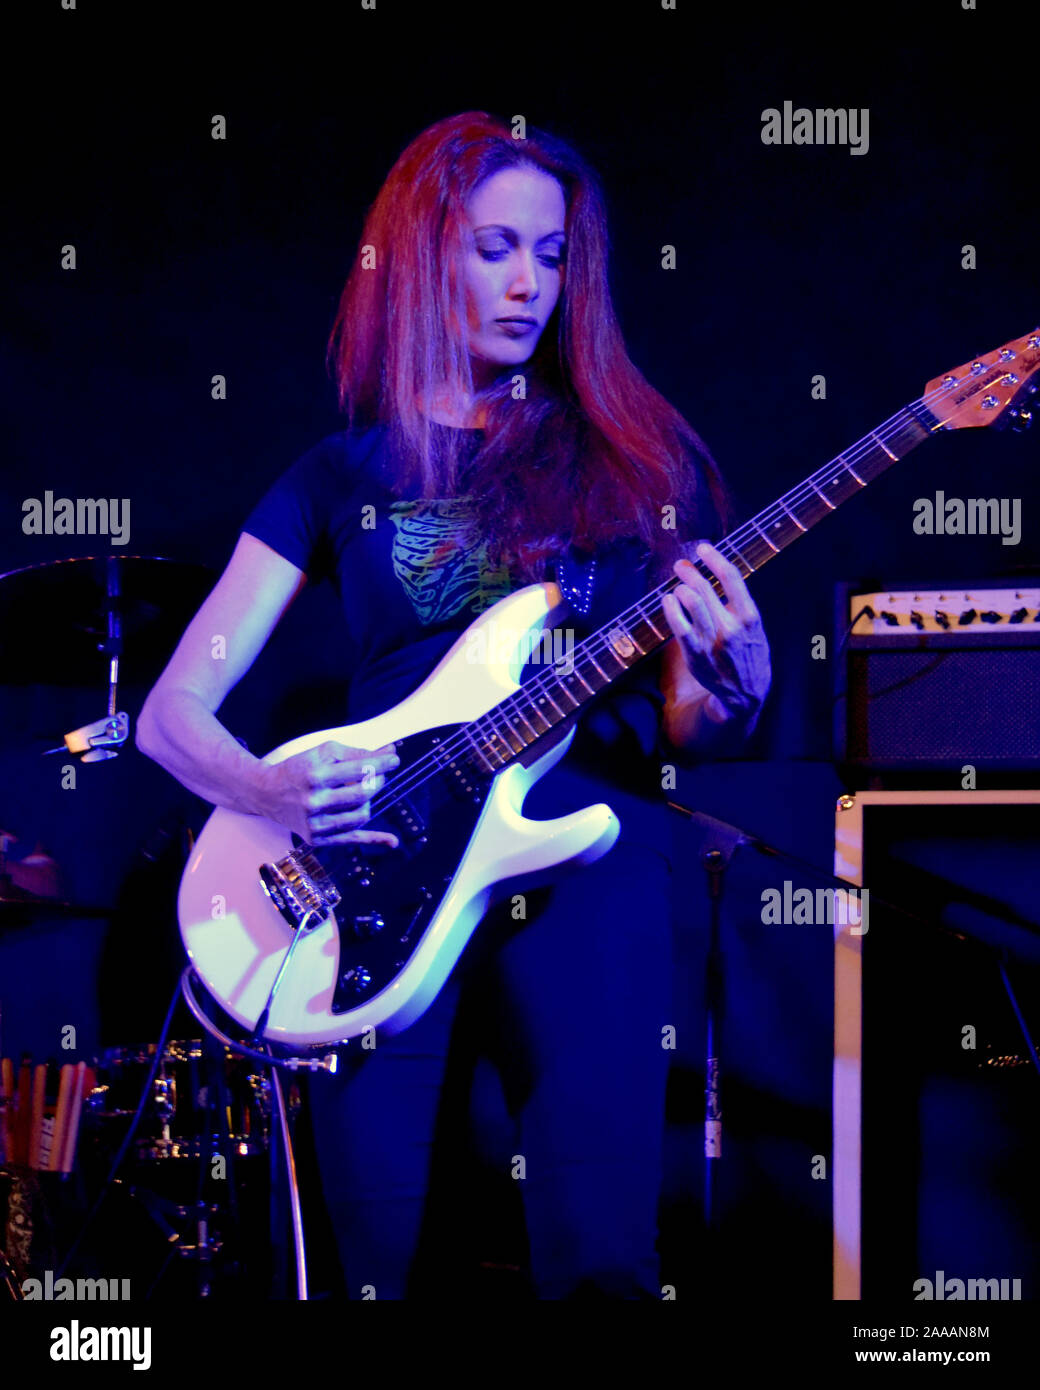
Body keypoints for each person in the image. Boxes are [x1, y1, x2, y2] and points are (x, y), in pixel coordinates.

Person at [136, 111, 771, 1299]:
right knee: (376, 1264)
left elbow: (699, 730)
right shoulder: (339, 475)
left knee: (600, 1264)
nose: (530, 280)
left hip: (585, 864)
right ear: (423, 256)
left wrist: (736, 683)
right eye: (494, 248)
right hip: (371, 875)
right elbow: (174, 711)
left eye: (551, 251)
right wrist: (268, 786)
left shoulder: (635, 460)